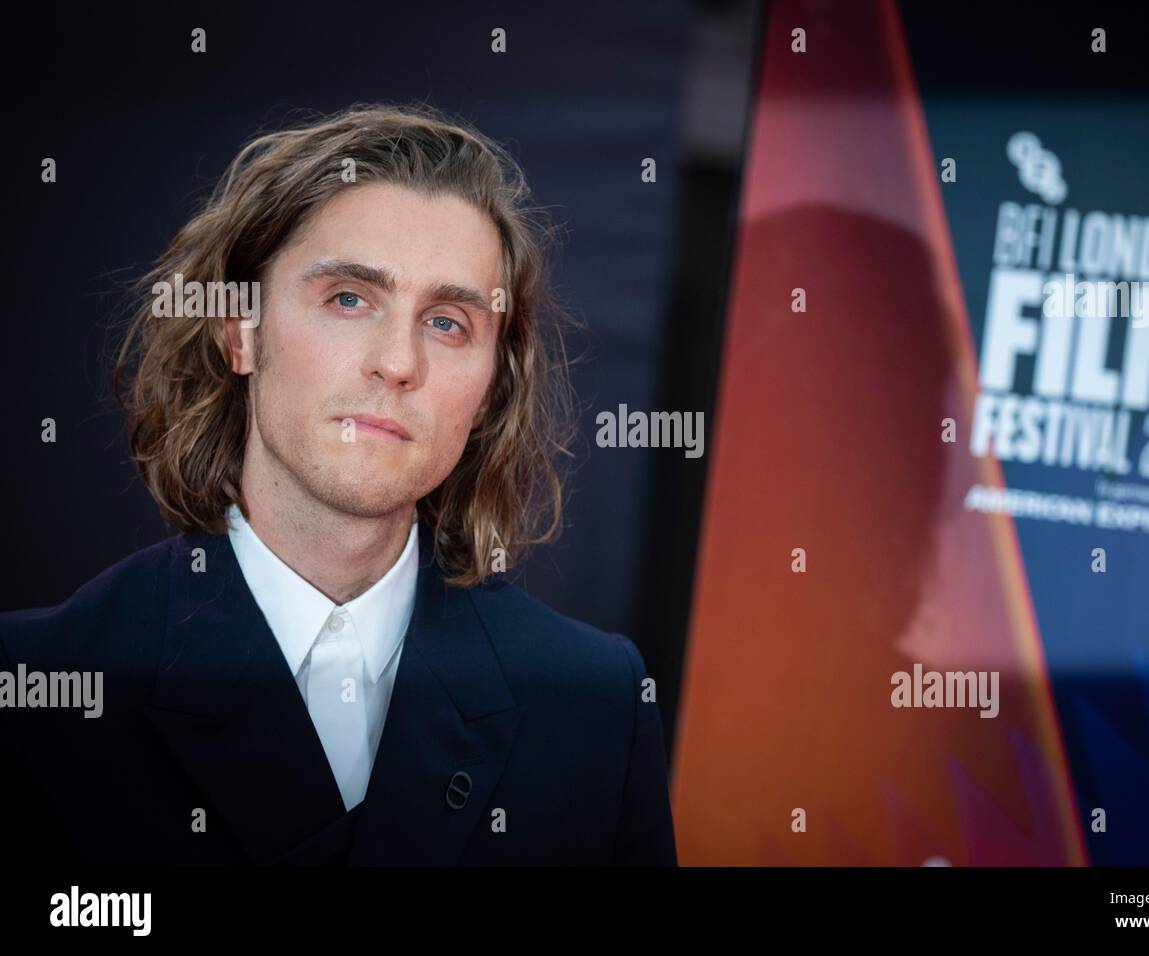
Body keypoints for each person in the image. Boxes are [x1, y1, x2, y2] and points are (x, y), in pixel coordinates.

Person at [0, 104, 677, 866]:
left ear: (488, 390)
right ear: (241, 331)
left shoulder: (592, 706)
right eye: (350, 299)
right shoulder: (40, 687)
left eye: (449, 322)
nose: (398, 362)